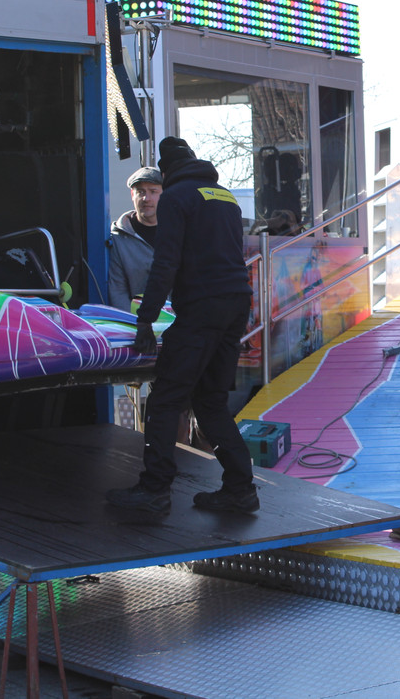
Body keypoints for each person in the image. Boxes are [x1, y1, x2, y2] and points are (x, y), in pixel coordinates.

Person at [107, 137, 258, 517]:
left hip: (202, 309)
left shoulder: (177, 196)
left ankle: (154, 491)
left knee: (165, 399)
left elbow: (166, 262)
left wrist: (145, 318)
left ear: (167, 169)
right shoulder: (223, 195)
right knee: (211, 402)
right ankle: (241, 489)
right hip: (236, 303)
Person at [108, 166, 163, 312]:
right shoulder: (118, 238)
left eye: (153, 191)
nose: (146, 198)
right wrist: (136, 325)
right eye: (140, 192)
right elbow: (117, 290)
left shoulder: (178, 233)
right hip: (136, 325)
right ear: (132, 195)